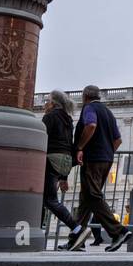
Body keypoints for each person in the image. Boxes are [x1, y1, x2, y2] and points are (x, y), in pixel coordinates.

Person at [65, 85, 132, 252]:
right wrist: (107, 152)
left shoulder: (89, 108)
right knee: (85, 199)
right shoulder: (108, 112)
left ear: (84, 96)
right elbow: (118, 140)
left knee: (93, 196)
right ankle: (76, 238)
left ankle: (118, 231)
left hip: (93, 159)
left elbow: (91, 125)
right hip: (106, 159)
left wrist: (80, 147)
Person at [41, 91, 79, 235]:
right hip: (66, 161)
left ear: (53, 103)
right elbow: (69, 143)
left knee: (49, 200)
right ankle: (77, 237)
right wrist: (64, 177)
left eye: (47, 100)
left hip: (52, 158)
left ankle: (76, 228)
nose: (45, 103)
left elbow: (42, 137)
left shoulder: (50, 116)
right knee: (46, 198)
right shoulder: (68, 119)